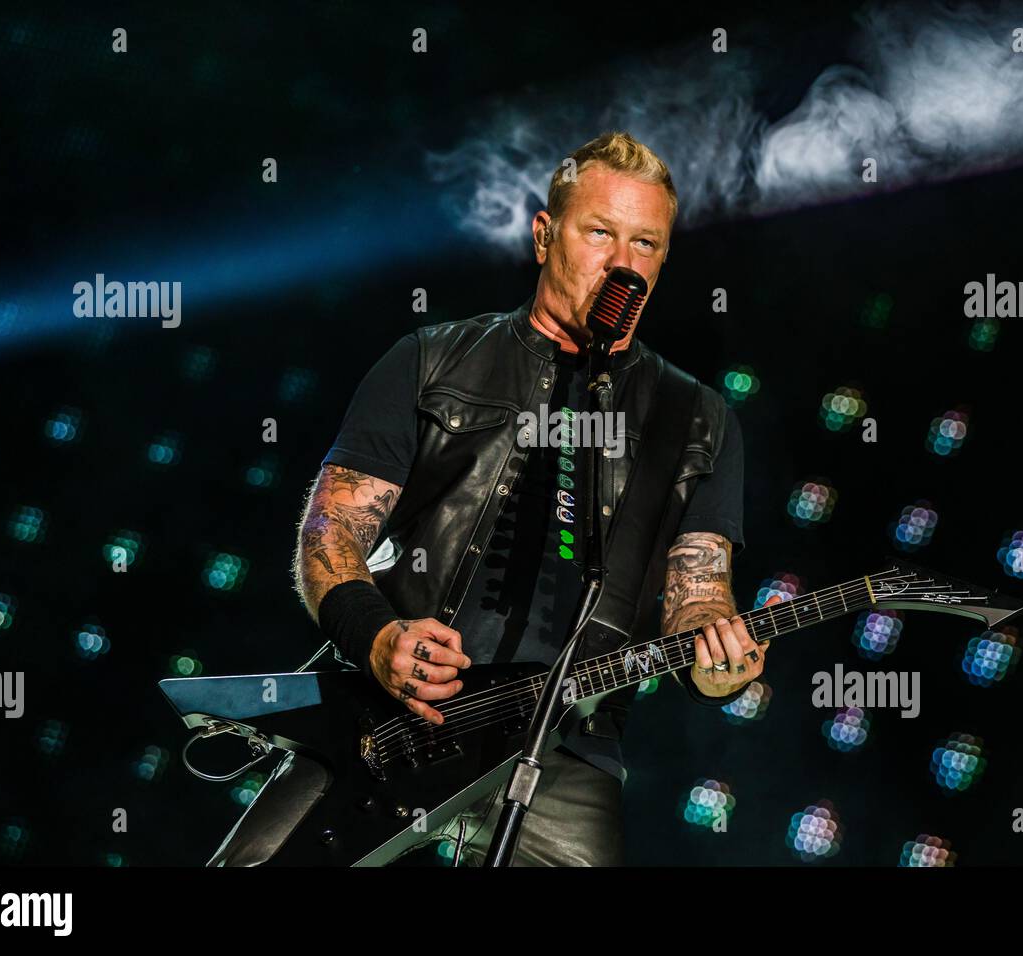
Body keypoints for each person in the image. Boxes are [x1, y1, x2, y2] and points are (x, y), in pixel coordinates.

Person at [207, 131, 771, 867]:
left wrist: (716, 658)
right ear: (545, 236)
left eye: (646, 243)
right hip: (389, 721)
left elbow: (699, 594)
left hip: (567, 751)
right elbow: (330, 532)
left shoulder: (696, 419)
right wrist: (379, 639)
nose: (623, 263)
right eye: (600, 232)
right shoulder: (430, 361)